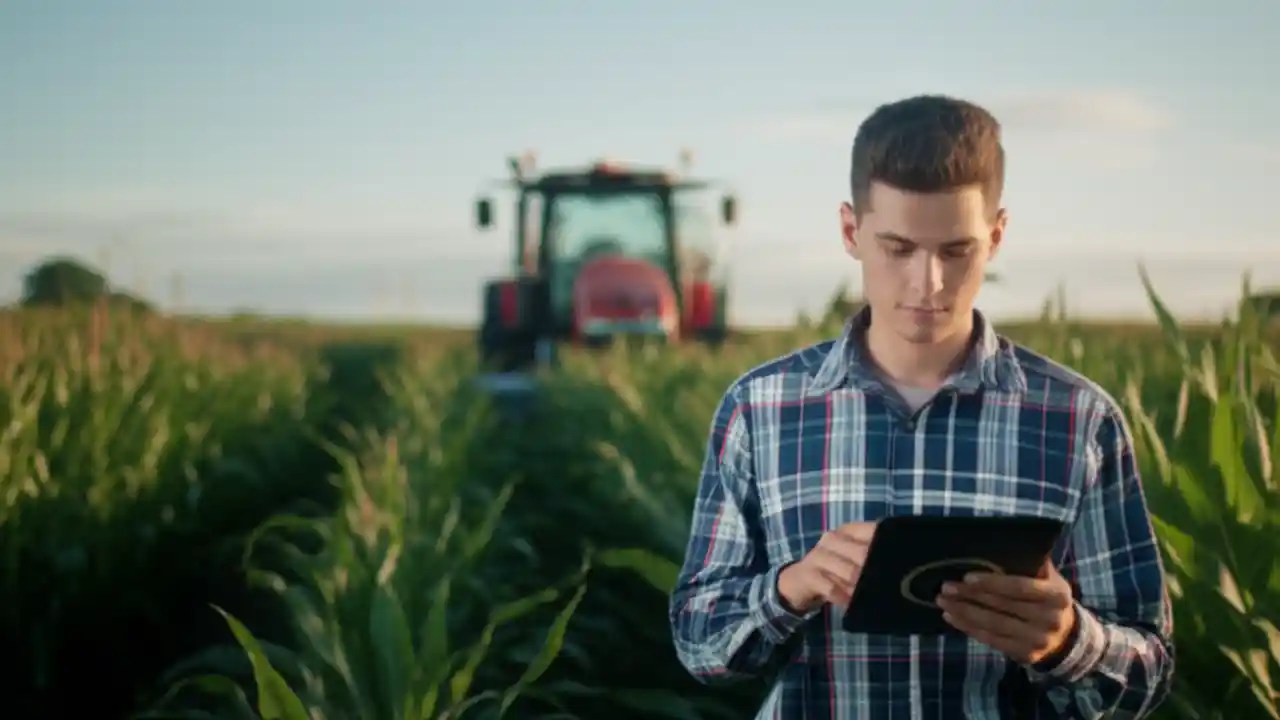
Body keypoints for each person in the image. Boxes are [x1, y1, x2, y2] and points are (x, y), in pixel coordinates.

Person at [668, 94, 1174, 719]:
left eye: (956, 251)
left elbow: (1148, 672)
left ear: (997, 235)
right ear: (851, 232)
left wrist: (1069, 643)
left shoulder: (1079, 421)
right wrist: (791, 587)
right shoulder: (760, 409)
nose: (927, 283)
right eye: (899, 248)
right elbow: (698, 642)